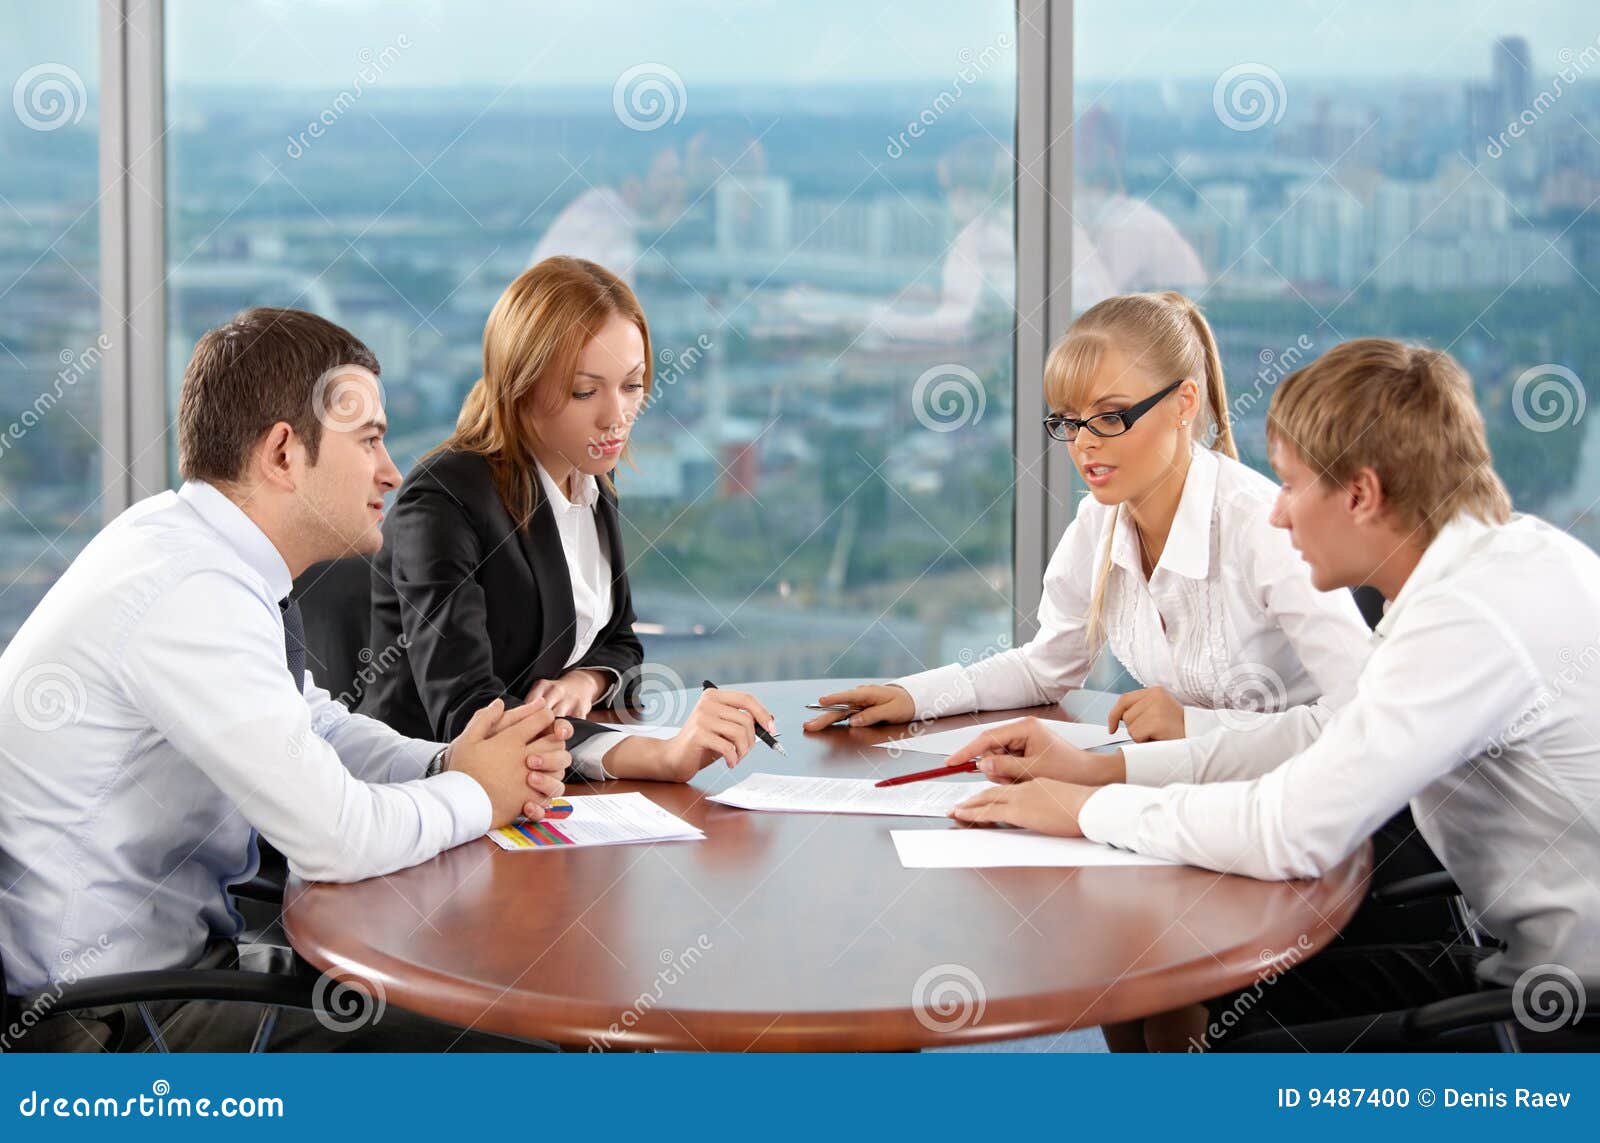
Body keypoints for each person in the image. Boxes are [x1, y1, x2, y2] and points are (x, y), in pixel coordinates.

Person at [944, 338, 1600, 1050]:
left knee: (1225, 1044)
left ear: (1361, 493)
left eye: (1290, 485)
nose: (1279, 514)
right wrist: (1106, 769)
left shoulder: (1467, 621)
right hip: (1518, 968)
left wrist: (1086, 809)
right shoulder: (1509, 558)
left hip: (1559, 1019)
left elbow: (1290, 831)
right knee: (1206, 992)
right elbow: (1326, 735)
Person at [0, 308, 579, 1051]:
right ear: (282, 453)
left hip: (166, 981)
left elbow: (313, 724)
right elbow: (335, 840)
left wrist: (444, 761)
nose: (391, 469)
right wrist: (481, 792)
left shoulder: (187, 547)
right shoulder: (189, 590)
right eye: (368, 438)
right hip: (112, 1029)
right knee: (515, 1051)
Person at [805, 291, 1371, 744]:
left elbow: (1365, 717)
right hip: (1196, 800)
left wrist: (1196, 727)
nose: (1083, 445)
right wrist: (914, 698)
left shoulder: (1259, 527)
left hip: (1317, 826)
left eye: (1111, 417)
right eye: (1069, 420)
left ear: (1184, 404)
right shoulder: (1099, 525)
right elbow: (1044, 668)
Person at [360, 257, 775, 781]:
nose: (616, 416)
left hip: (545, 787)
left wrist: (587, 682)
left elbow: (621, 641)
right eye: (585, 391)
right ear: (522, 385)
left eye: (632, 385)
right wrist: (659, 757)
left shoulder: (590, 478)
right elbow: (468, 716)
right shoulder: (445, 499)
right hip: (429, 797)